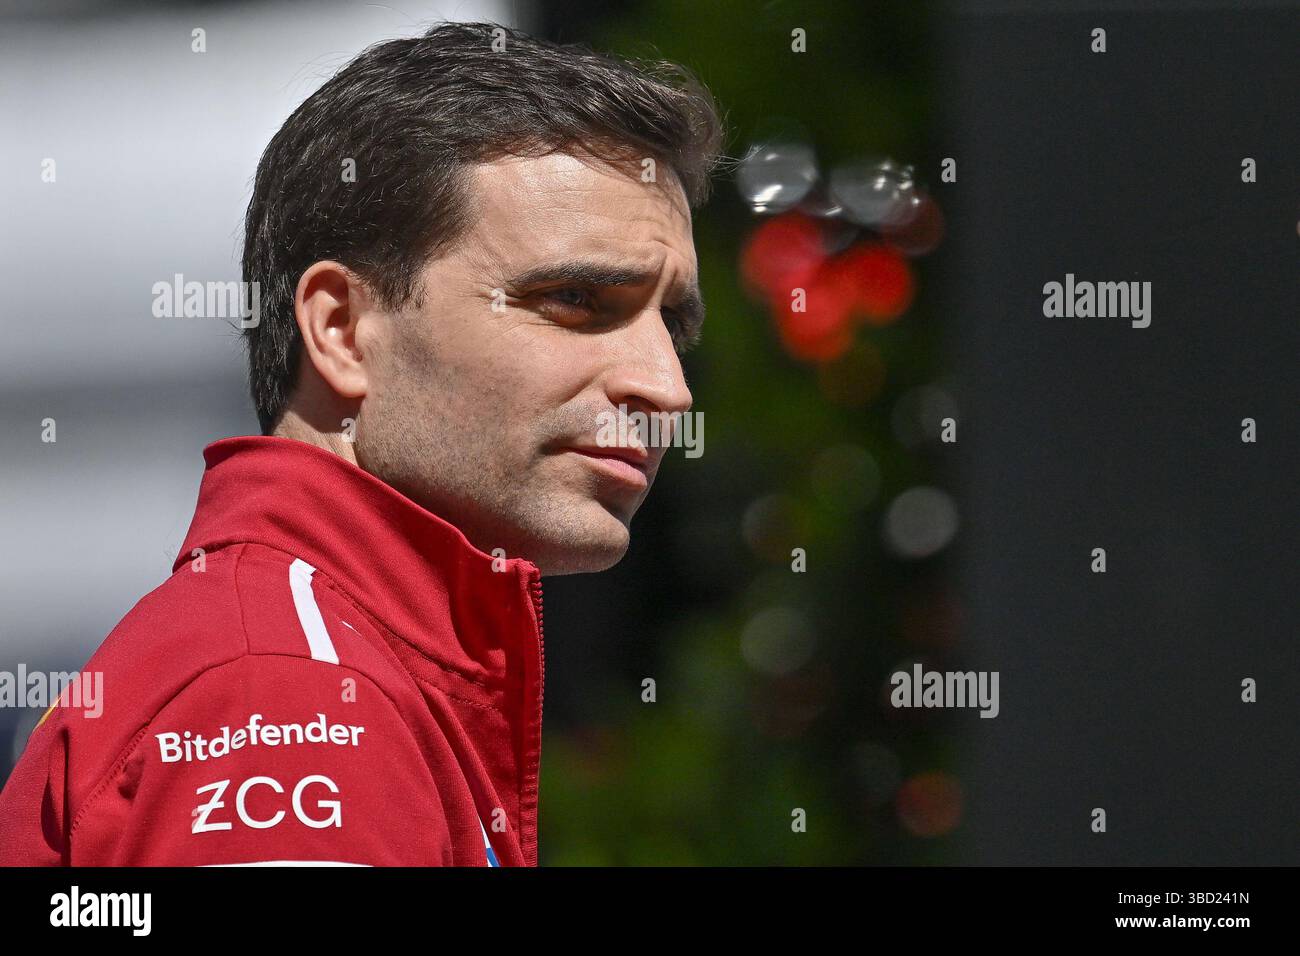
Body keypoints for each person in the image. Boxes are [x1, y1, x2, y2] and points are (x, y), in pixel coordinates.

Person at [0, 20, 724, 866]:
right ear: (342, 330)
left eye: (672, 324)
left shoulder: (309, 659)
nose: (666, 388)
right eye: (574, 300)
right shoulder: (288, 691)